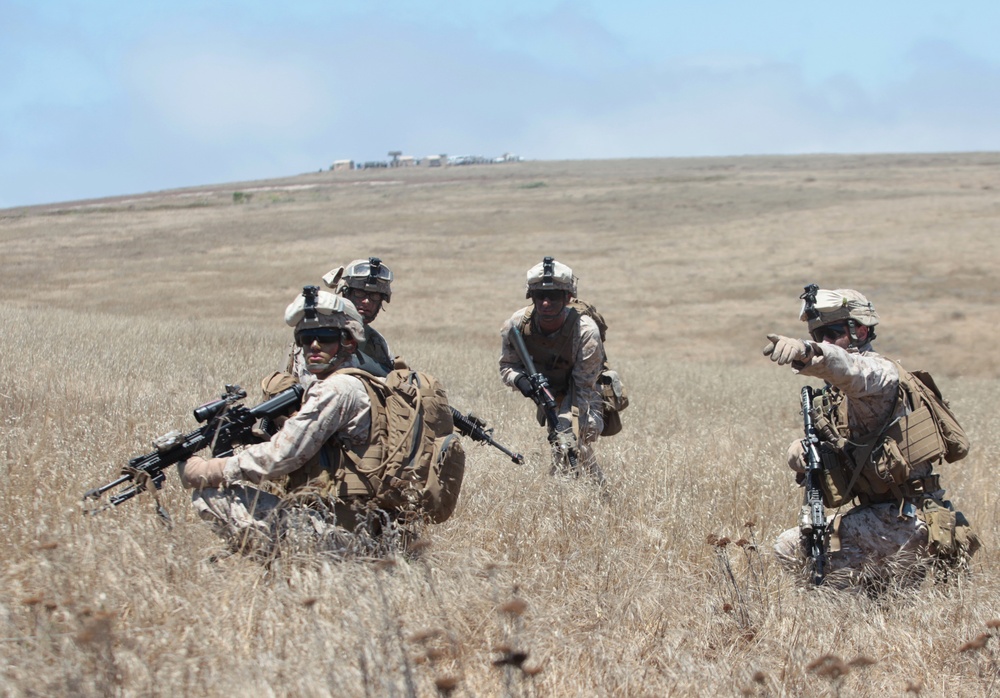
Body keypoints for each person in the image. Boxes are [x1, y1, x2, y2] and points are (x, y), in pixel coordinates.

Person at [764, 287, 978, 591]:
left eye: (831, 332)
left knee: (792, 548)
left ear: (860, 331)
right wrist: (808, 452)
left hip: (907, 520)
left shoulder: (878, 372)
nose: (823, 339)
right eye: (817, 334)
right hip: (883, 518)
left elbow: (848, 367)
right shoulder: (841, 396)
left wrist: (810, 351)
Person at [178, 288, 401, 558]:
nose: (314, 346)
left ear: (350, 344)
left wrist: (207, 469)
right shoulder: (365, 383)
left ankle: (286, 567)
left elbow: (282, 456)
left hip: (348, 539)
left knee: (210, 495)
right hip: (373, 530)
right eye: (306, 338)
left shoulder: (337, 389)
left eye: (326, 337)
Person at [499, 257, 605, 483]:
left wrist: (566, 421)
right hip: (548, 391)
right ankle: (569, 488)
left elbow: (584, 387)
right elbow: (507, 366)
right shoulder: (516, 325)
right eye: (540, 297)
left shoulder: (586, 332)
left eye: (554, 296)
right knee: (560, 440)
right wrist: (521, 381)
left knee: (576, 433)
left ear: (568, 298)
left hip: (583, 391)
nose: (546, 303)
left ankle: (590, 490)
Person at [287, 257, 395, 384]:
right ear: (345, 293)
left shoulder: (376, 341)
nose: (366, 301)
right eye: (359, 293)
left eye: (375, 296)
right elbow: (312, 385)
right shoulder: (319, 335)